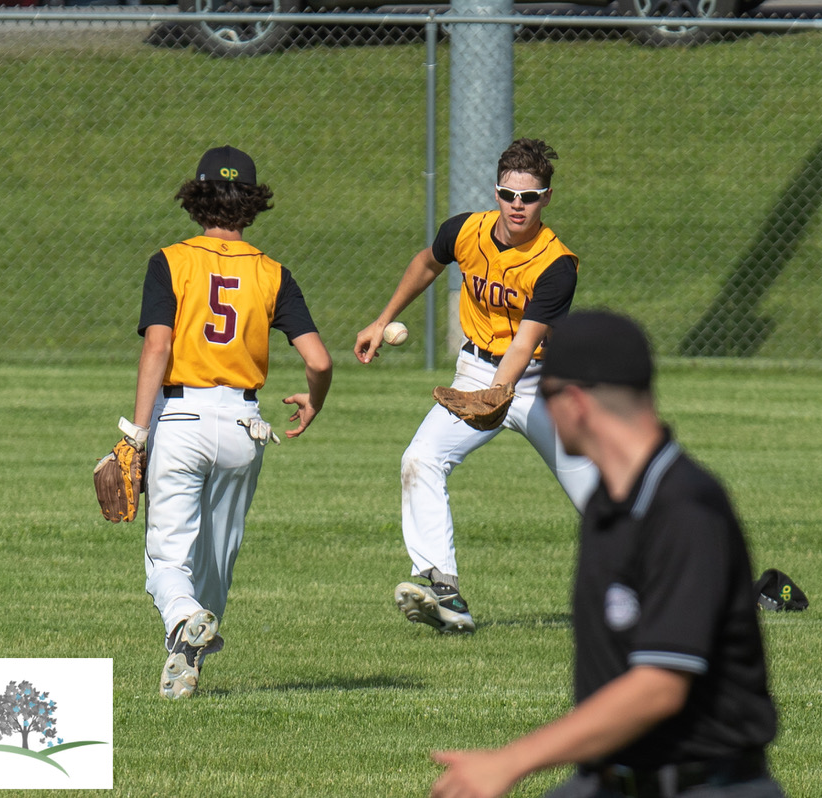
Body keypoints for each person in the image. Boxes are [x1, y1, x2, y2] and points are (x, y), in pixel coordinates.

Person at [429, 310, 784, 798]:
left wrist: (509, 761)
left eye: (544, 395)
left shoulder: (683, 507)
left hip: (706, 785)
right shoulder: (608, 503)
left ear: (574, 402)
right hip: (612, 780)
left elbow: (660, 687)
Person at [354, 138, 598, 634]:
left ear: (546, 198)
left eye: (529, 197)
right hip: (474, 371)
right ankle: (445, 592)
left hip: (536, 381)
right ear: (496, 192)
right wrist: (382, 320)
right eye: (508, 194)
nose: (517, 206)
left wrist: (495, 395)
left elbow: (525, 343)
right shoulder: (466, 230)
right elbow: (427, 263)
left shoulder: (555, 265)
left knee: (600, 496)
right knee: (420, 459)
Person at [126, 145, 332, 699]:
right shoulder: (272, 273)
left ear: (196, 198)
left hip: (182, 418)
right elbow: (318, 361)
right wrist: (314, 401)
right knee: (216, 560)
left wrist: (136, 433)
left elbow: (158, 346)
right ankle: (184, 666)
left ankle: (184, 618)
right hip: (245, 425)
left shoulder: (170, 260)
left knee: (169, 558)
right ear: (252, 203)